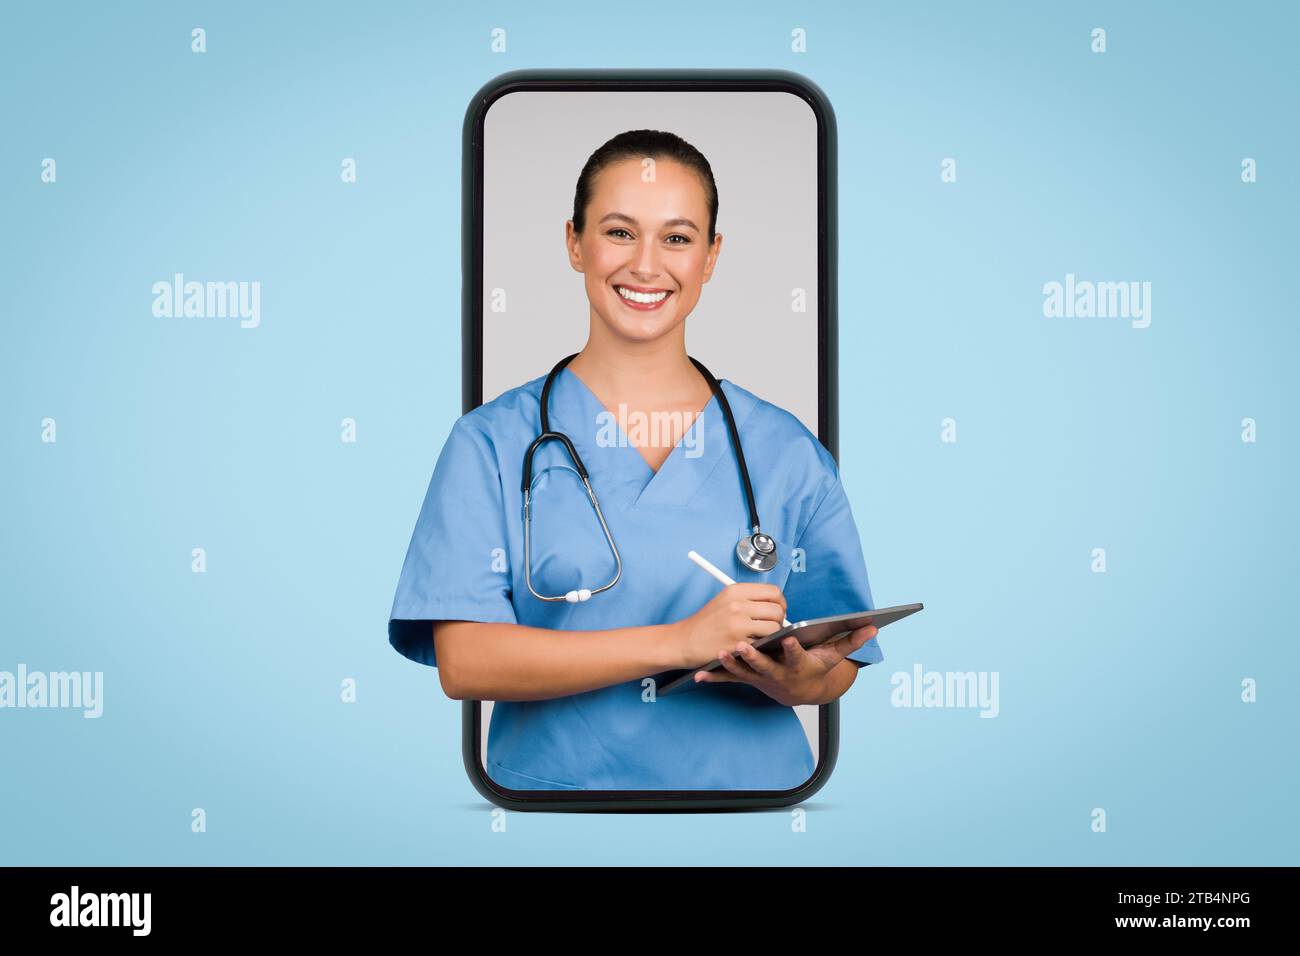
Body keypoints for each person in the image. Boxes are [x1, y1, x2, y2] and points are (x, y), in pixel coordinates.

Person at [388, 129, 882, 791]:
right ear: (574, 242)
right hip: (555, 813)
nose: (647, 265)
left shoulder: (786, 450)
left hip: (753, 808)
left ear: (711, 256)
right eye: (620, 232)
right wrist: (680, 641)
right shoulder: (491, 444)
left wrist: (802, 679)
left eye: (677, 238)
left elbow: (839, 655)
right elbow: (466, 662)